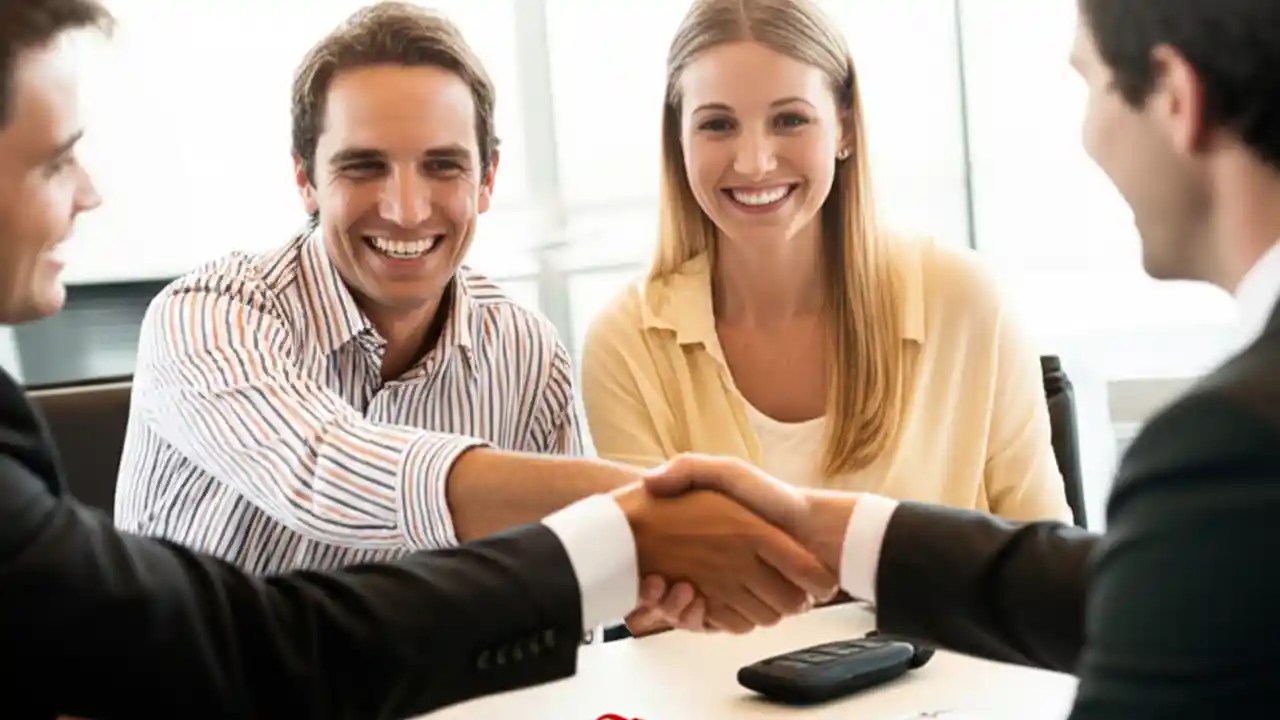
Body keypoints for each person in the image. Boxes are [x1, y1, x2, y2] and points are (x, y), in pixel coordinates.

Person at [0, 2, 838, 716]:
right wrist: (645, 512)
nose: (406, 207)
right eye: (363, 167)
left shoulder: (523, 350)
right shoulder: (205, 317)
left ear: (486, 180)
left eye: (443, 167)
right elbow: (325, 473)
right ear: (304, 179)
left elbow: (571, 596)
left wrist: (642, 579)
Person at [643, 0, 1280, 715]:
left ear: (1175, 97)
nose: (1087, 137)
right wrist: (835, 532)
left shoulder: (1227, 446)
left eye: (1091, 86)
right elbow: (1104, 591)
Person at [580, 0, 1071, 522]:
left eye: (790, 119)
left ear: (845, 128)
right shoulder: (628, 344)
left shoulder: (964, 301)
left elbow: (1049, 563)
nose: (754, 162)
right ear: (678, 140)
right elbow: (656, 583)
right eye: (718, 125)